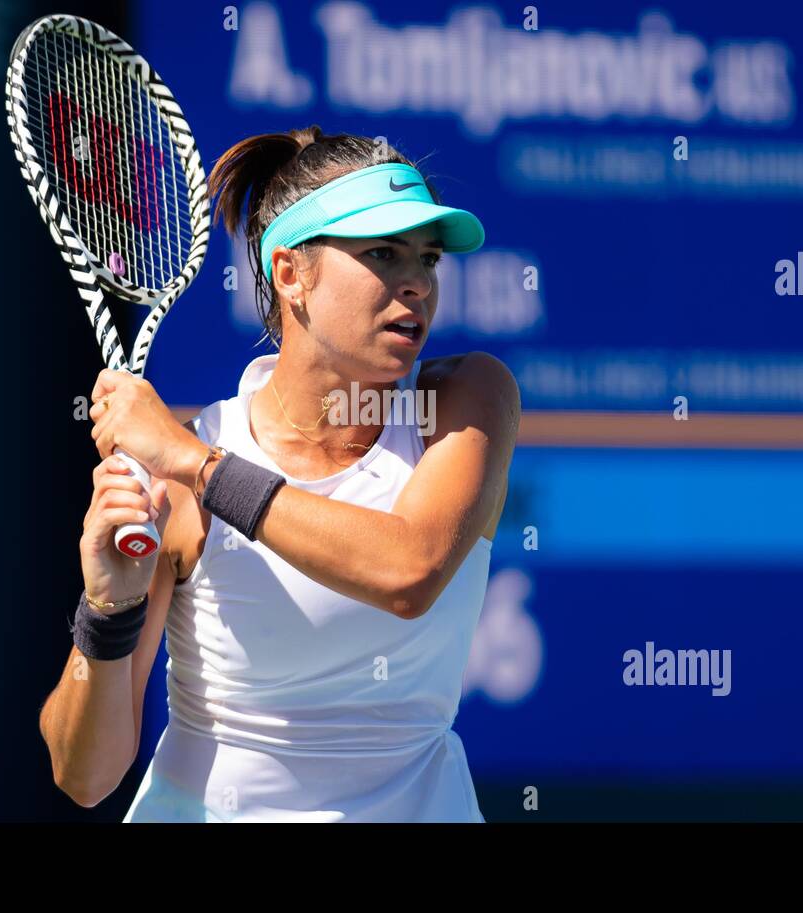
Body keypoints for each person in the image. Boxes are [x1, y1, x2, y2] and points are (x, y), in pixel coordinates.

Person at [39, 125, 520, 822]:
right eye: (383, 252)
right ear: (290, 273)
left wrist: (198, 465)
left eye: (428, 257)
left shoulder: (466, 401)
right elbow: (83, 777)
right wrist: (106, 611)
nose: (416, 282)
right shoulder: (177, 482)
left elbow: (408, 570)